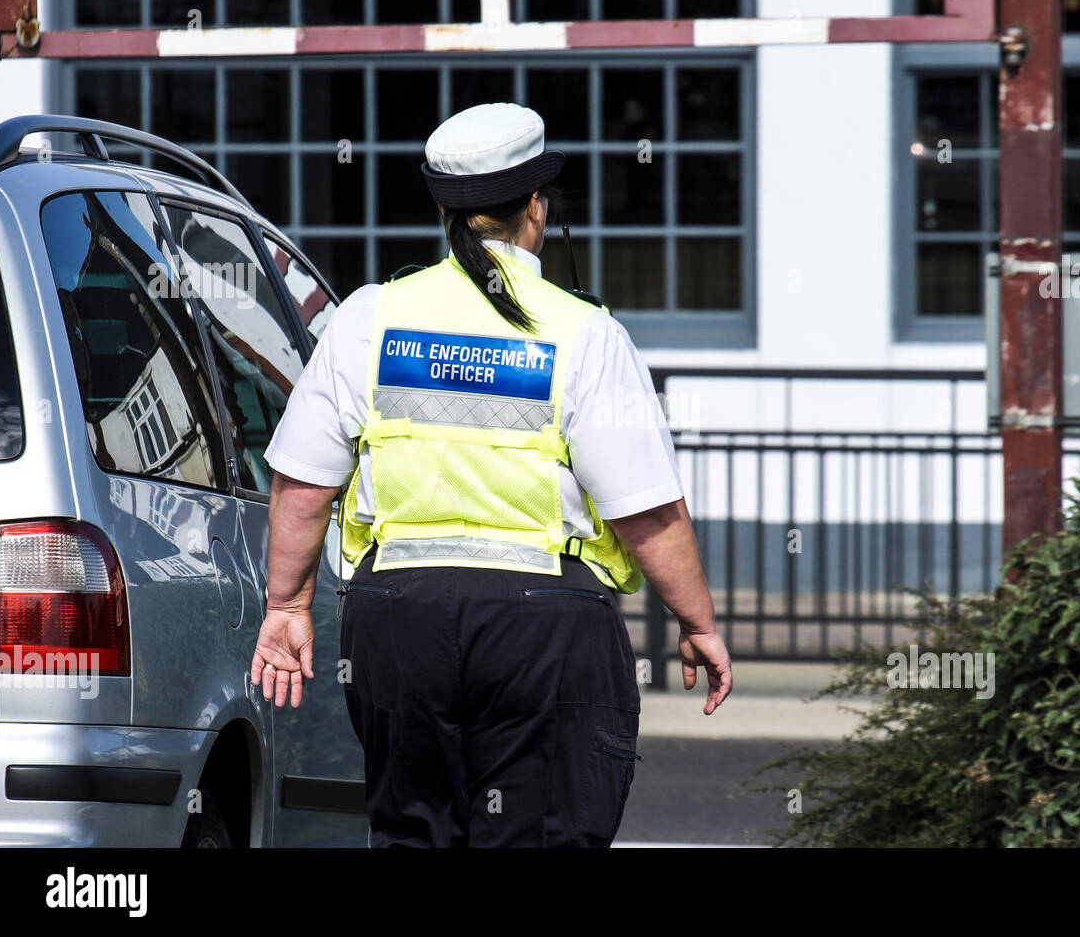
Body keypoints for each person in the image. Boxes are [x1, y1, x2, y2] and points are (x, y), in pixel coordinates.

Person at [249, 102, 733, 847]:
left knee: (414, 834)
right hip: (544, 628)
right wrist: (696, 622)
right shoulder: (583, 332)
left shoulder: (370, 318)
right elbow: (645, 510)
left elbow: (303, 484)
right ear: (535, 209)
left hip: (397, 617)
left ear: (446, 207)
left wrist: (286, 605)